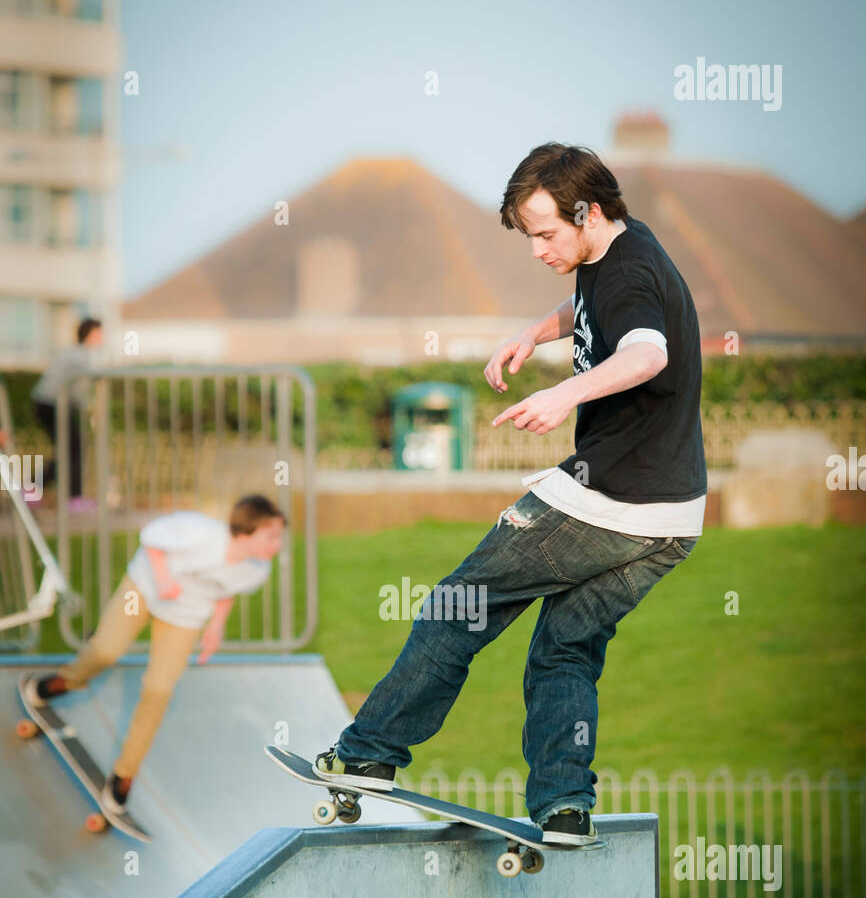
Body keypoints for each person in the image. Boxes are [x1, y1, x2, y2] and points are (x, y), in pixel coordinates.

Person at [313, 142, 706, 846]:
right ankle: (563, 806)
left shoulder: (628, 278)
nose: (537, 251)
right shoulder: (622, 244)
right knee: (565, 652)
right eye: (530, 238)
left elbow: (647, 352)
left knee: (454, 609)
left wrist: (566, 392)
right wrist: (537, 333)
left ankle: (369, 754)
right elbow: (593, 306)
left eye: (547, 234)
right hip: (673, 519)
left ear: (587, 212)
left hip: (606, 499)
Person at [21, 494, 286, 814]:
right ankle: (64, 681)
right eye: (271, 535)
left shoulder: (257, 569)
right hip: (144, 588)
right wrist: (162, 579)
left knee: (159, 690)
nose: (278, 543)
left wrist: (215, 628)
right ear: (245, 532)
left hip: (184, 616)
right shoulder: (199, 532)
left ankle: (124, 774)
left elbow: (225, 592)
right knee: (106, 652)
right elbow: (151, 538)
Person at [30, 316, 104, 505]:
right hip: (50, 405)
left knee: (68, 450)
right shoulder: (80, 357)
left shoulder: (74, 353)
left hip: (48, 404)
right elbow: (78, 390)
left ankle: (32, 490)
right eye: (100, 333)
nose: (103, 338)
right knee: (72, 449)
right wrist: (89, 410)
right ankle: (73, 499)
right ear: (92, 334)